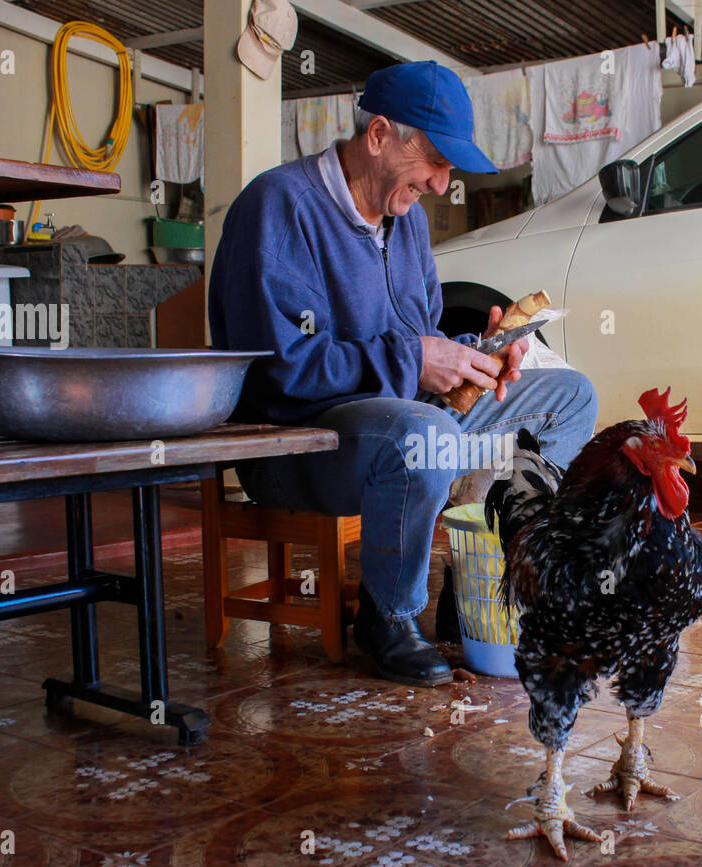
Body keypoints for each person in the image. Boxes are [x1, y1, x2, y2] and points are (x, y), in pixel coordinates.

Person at [209, 61, 598, 688]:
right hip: (297, 442)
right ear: (380, 134)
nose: (443, 186)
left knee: (572, 396)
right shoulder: (279, 206)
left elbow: (417, 339)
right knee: (426, 436)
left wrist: (479, 353)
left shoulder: (406, 218)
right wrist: (416, 360)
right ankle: (388, 617)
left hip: (403, 419)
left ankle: (477, 578)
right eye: (436, 163)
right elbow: (280, 371)